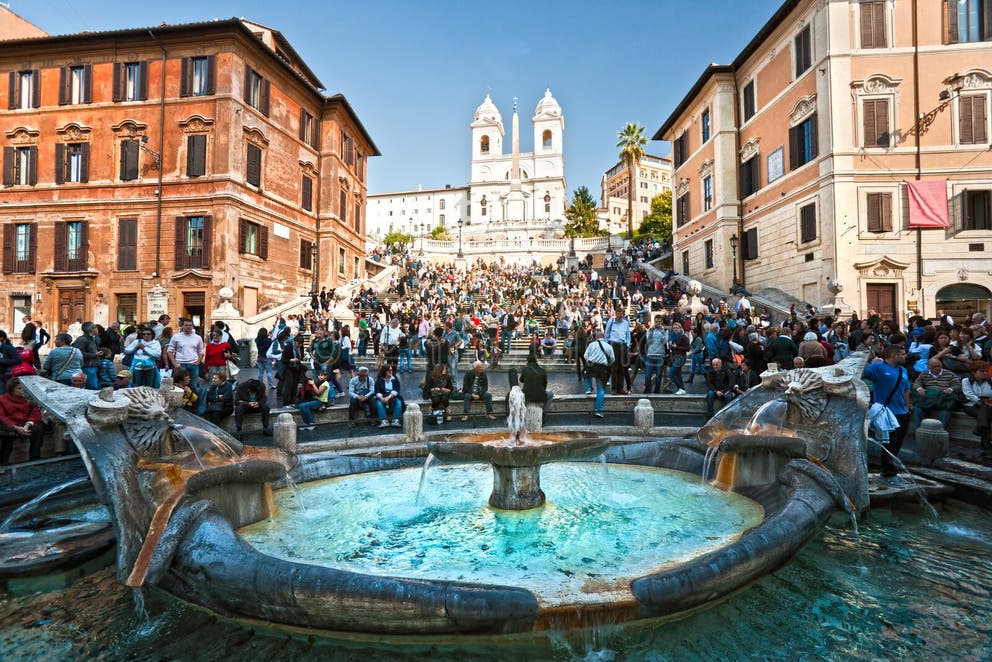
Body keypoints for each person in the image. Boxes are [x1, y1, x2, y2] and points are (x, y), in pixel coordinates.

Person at [863, 345, 912, 484]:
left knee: (898, 444)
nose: (905, 356)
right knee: (889, 443)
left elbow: (906, 389)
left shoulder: (903, 370)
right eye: (902, 354)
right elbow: (860, 373)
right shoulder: (878, 368)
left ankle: (890, 471)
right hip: (886, 413)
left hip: (902, 412)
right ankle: (889, 473)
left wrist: (907, 408)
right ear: (893, 355)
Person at [0, 377, 44, 464]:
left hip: (25, 424)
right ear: (12, 390)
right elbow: (1, 416)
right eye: (19, 388)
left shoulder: (29, 399)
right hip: (9, 426)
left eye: (24, 388)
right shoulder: (2, 399)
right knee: (7, 435)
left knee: (38, 429)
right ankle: (3, 462)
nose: (22, 390)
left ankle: (35, 458)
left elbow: (35, 413)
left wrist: (27, 425)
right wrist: (15, 427)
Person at [911, 357, 962, 430]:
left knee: (946, 411)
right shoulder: (924, 374)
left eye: (939, 366)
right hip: (928, 399)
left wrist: (951, 389)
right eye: (934, 367)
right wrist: (919, 388)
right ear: (929, 367)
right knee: (917, 408)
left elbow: (958, 385)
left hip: (942, 399)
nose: (937, 368)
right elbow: (916, 384)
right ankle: (919, 430)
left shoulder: (950, 374)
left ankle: (942, 432)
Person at [583, 330, 615, 419]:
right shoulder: (608, 346)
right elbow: (612, 359)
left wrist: (590, 360)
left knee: (587, 373)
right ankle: (599, 410)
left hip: (591, 365)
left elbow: (585, 356)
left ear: (596, 337)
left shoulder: (591, 345)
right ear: (603, 337)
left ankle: (588, 388)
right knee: (601, 389)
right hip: (602, 368)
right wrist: (607, 364)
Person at [962, 361, 992, 448]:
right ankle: (986, 441)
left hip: (989, 404)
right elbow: (969, 395)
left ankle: (980, 429)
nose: (985, 373)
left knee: (986, 410)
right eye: (982, 371)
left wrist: (988, 401)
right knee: (986, 411)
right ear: (973, 372)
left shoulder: (990, 380)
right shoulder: (966, 381)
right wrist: (982, 401)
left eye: (986, 371)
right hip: (971, 404)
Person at [168, 319, 206, 385]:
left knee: (194, 384)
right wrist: (175, 364)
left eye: (190, 325)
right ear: (182, 326)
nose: (188, 327)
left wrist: (198, 361)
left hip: (193, 364)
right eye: (186, 325)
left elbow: (201, 351)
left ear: (192, 326)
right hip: (180, 364)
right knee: (179, 385)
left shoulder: (198, 338)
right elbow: (170, 351)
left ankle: (193, 395)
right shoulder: (176, 337)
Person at [642, 315, 669, 394]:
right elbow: (649, 341)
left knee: (658, 375)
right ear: (654, 321)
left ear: (661, 322)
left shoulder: (665, 331)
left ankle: (656, 391)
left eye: (659, 321)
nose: (658, 323)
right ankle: (648, 390)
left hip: (660, 355)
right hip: (650, 355)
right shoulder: (650, 330)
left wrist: (662, 331)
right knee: (647, 375)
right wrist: (652, 331)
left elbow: (665, 341)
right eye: (656, 321)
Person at [72, 322, 102, 390]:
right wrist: (95, 355)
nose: (97, 328)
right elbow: (79, 353)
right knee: (91, 387)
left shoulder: (93, 338)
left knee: (94, 386)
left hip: (93, 366)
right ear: (90, 329)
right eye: (94, 327)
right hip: (88, 367)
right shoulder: (83, 339)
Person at [280, 334, 307, 407]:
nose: (299, 346)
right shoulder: (289, 347)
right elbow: (283, 360)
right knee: (288, 385)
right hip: (288, 368)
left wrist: (303, 358)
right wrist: (291, 360)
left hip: (297, 368)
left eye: (301, 345)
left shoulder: (300, 347)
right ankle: (285, 403)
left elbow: (301, 355)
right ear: (295, 342)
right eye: (298, 344)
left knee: (295, 385)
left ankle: (292, 402)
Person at [668, 322, 690, 395]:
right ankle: (682, 389)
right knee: (678, 374)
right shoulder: (673, 336)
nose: (675, 329)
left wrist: (676, 347)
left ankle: (680, 387)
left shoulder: (683, 336)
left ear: (680, 328)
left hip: (680, 358)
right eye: (674, 328)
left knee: (671, 374)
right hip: (674, 357)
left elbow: (688, 348)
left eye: (677, 328)